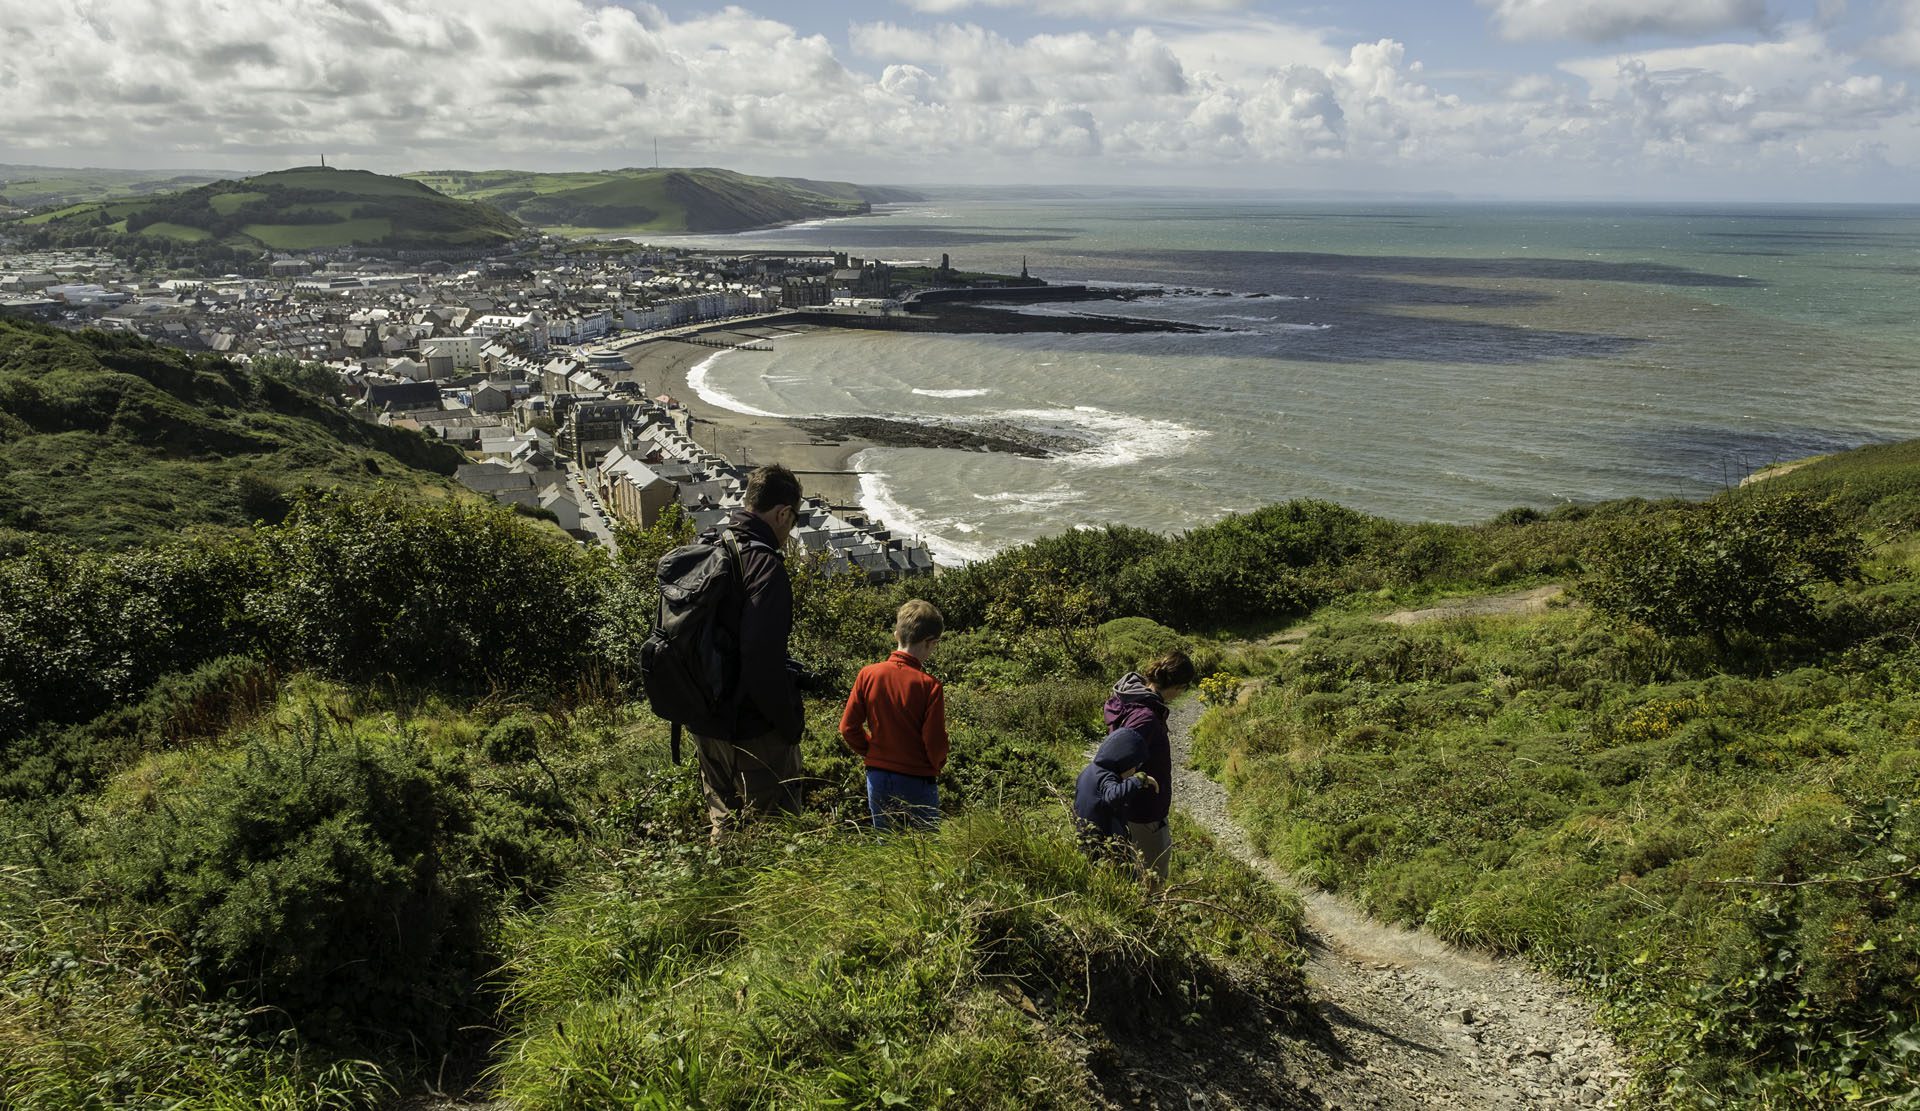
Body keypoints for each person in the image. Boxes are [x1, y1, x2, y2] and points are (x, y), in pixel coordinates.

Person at [690, 464, 808, 838]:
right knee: (775, 833)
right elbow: (761, 661)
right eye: (793, 520)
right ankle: (773, 898)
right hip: (751, 730)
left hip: (704, 723)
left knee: (724, 823)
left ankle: (719, 892)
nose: (790, 530)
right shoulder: (765, 567)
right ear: (783, 513)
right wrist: (789, 726)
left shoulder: (711, 547)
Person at [838, 599, 949, 830]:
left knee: (887, 850)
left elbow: (848, 728)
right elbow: (934, 741)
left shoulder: (868, 675)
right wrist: (937, 765)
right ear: (929, 642)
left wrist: (872, 751)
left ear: (897, 634)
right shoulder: (929, 686)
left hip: (877, 777)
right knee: (927, 852)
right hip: (917, 779)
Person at [1103, 650, 1196, 883]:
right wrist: (1138, 782)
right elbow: (1118, 759)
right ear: (1177, 686)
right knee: (1152, 877)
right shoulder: (1145, 717)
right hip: (1145, 812)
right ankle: (1150, 915)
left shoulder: (1137, 701)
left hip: (1136, 809)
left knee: (1136, 871)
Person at [1073, 725, 1158, 864]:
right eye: (1134, 765)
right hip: (1105, 850)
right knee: (1121, 878)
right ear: (1124, 760)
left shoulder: (1089, 771)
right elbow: (1113, 796)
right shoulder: (1106, 777)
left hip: (1086, 840)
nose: (1135, 769)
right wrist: (1139, 779)